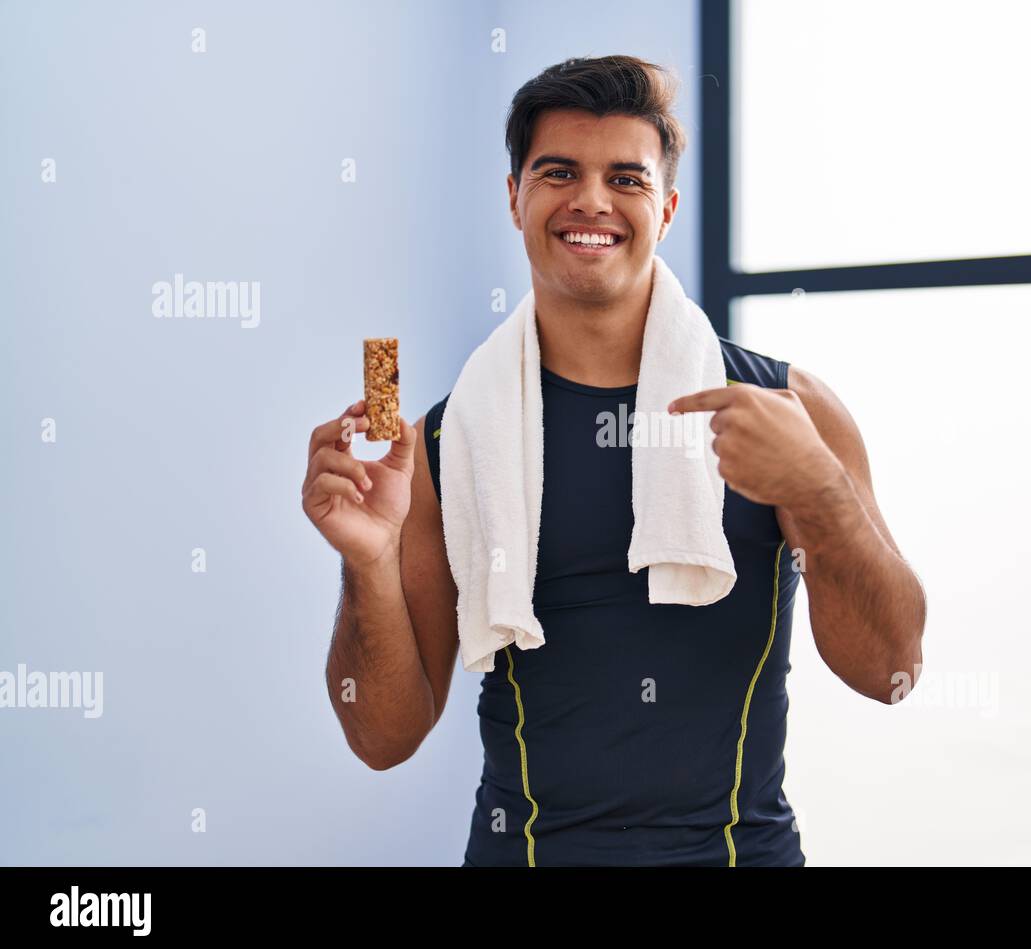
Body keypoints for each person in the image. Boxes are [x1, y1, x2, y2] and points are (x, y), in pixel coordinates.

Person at [301, 55, 926, 867]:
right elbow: (382, 739)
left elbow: (891, 671)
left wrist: (816, 489)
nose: (591, 200)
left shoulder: (788, 411)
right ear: (515, 198)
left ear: (666, 209)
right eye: (558, 172)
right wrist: (367, 561)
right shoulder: (446, 443)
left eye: (625, 179)